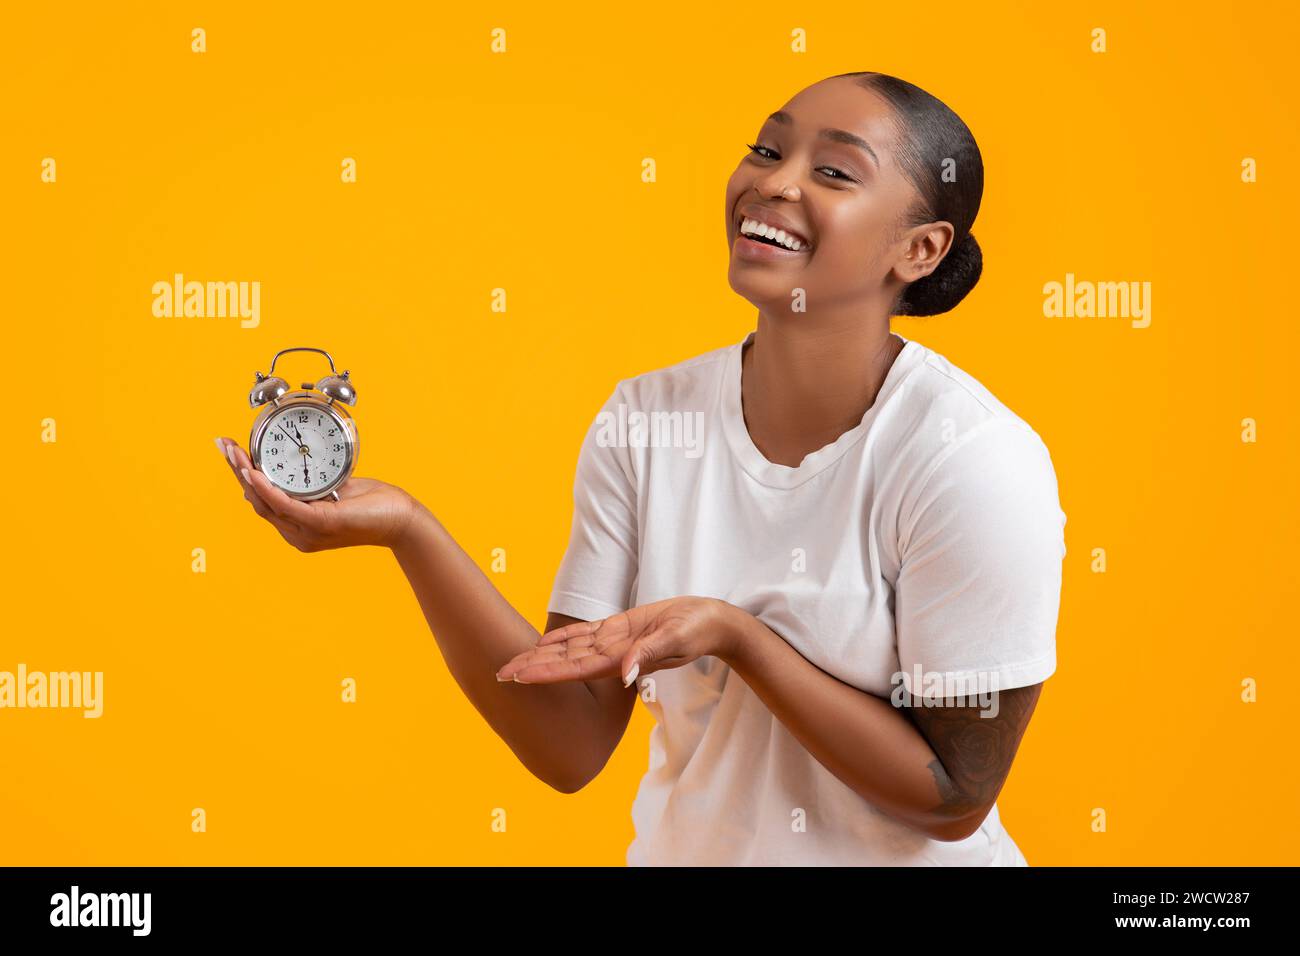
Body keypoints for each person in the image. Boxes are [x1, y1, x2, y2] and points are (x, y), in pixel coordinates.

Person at [216, 71, 1067, 866]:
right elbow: (570, 742)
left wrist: (738, 638)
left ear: (919, 251)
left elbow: (954, 795)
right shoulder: (646, 420)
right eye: (768, 149)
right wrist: (408, 530)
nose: (774, 182)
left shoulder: (970, 460)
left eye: (836, 172)